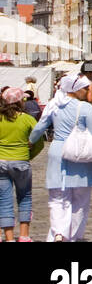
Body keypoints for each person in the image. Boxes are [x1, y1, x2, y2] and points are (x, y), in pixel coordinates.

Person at [29, 74, 92, 241]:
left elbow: (40, 126)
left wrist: (31, 141)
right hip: (81, 154)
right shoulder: (85, 108)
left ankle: (59, 232)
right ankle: (73, 236)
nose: (87, 92)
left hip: (58, 152)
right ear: (75, 89)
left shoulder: (54, 105)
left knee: (57, 198)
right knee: (80, 201)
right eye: (85, 88)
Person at [1, 86, 43, 241]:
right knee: (24, 197)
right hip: (21, 161)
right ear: (21, 101)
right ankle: (24, 236)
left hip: (1, 163)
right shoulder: (27, 119)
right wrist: (29, 155)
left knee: (4, 200)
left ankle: (9, 237)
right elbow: (39, 142)